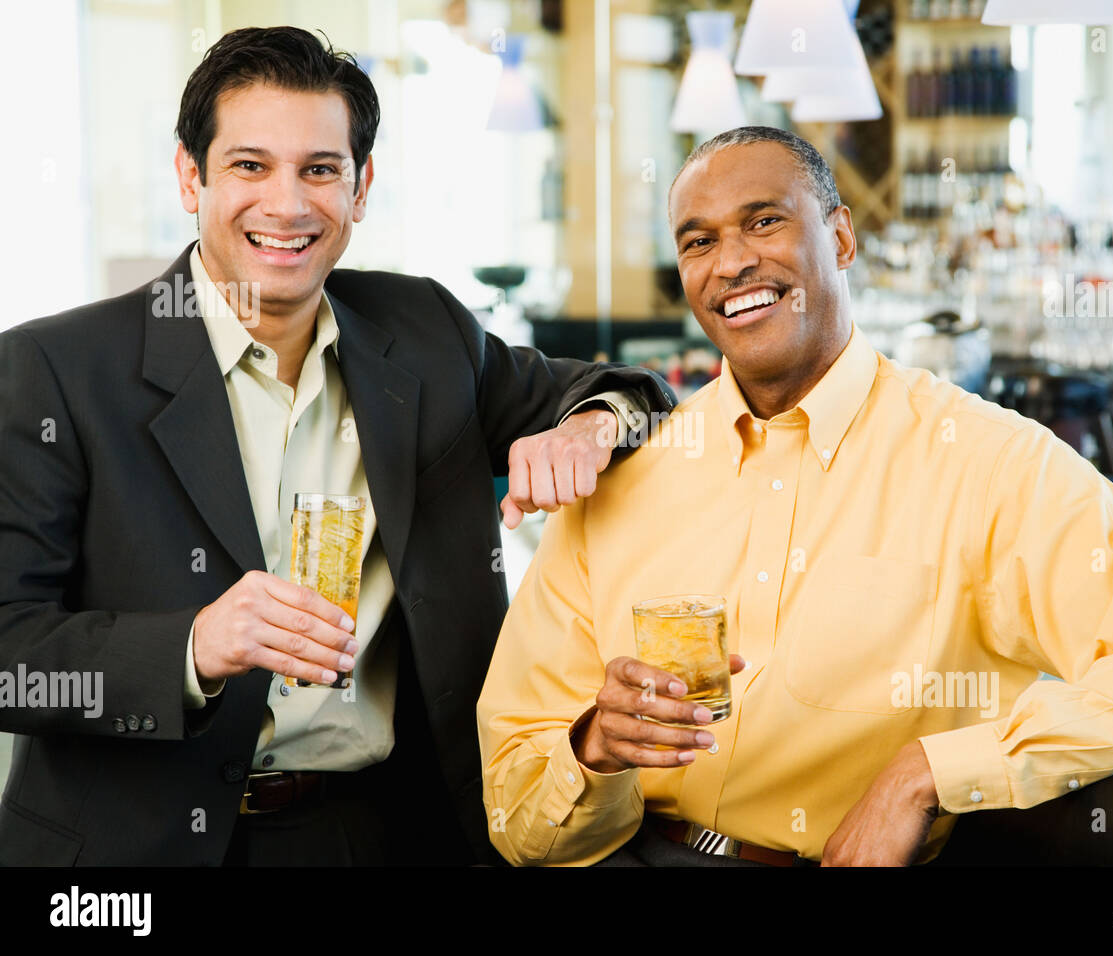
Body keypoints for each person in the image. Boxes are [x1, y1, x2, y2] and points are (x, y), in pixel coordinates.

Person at [476, 126, 1113, 867]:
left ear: (842, 237)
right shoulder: (624, 482)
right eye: (699, 241)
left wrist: (932, 770)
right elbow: (513, 811)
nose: (731, 263)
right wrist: (593, 750)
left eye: (763, 222)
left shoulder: (989, 463)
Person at [0, 26, 674, 866]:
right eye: (250, 166)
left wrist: (592, 423)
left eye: (320, 169)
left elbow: (641, 395)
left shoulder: (425, 333)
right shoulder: (54, 369)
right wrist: (193, 646)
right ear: (189, 175)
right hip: (132, 849)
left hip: (377, 833)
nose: (287, 205)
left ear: (360, 189)